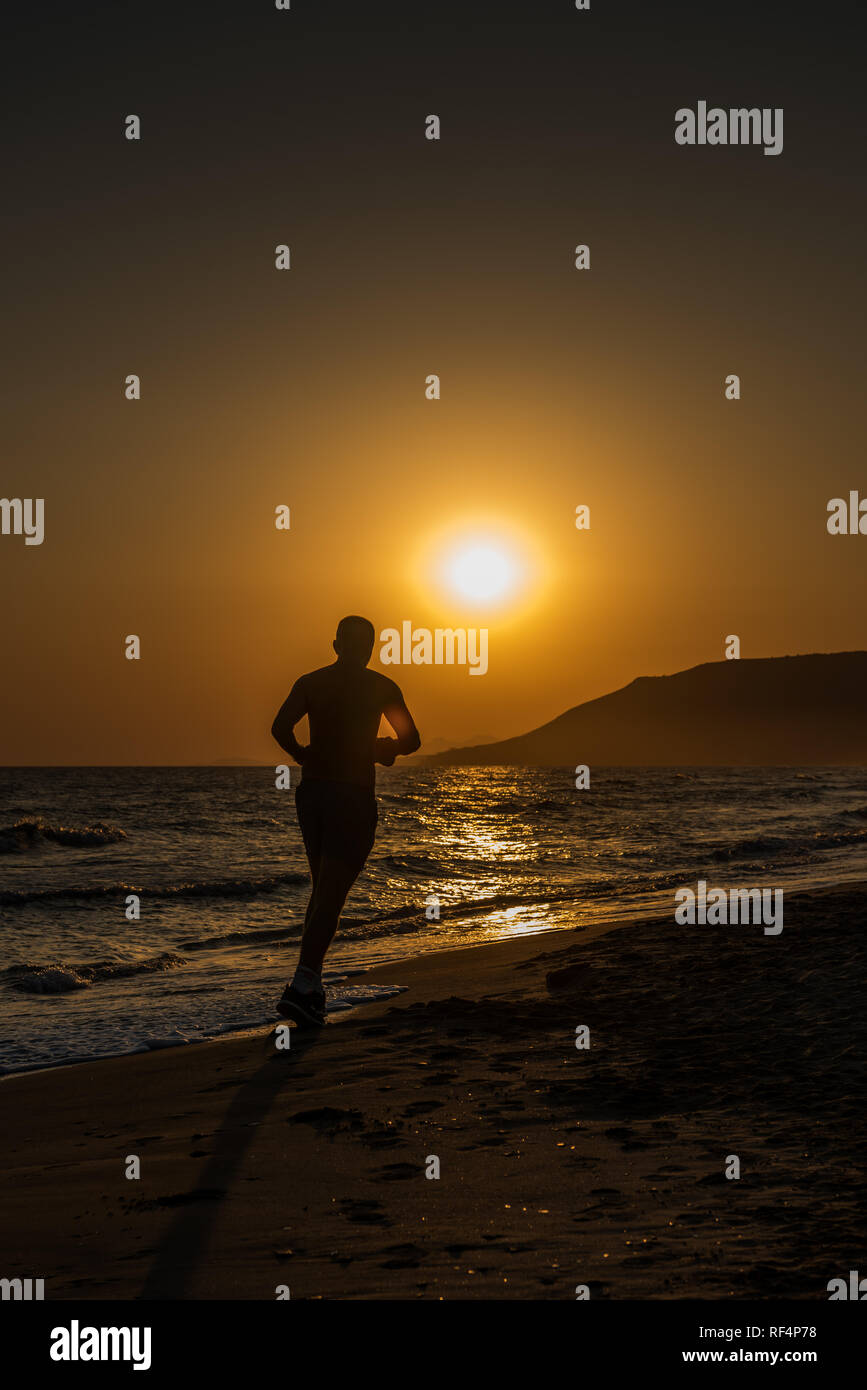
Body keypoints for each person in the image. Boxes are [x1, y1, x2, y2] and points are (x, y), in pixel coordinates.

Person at [270, 615, 421, 1027]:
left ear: (336, 645)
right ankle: (302, 986)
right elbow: (412, 740)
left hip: (313, 793)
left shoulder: (311, 682)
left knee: (323, 889)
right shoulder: (382, 687)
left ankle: (310, 988)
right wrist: (378, 748)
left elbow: (280, 727)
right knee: (331, 895)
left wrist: (303, 755)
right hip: (352, 795)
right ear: (369, 648)